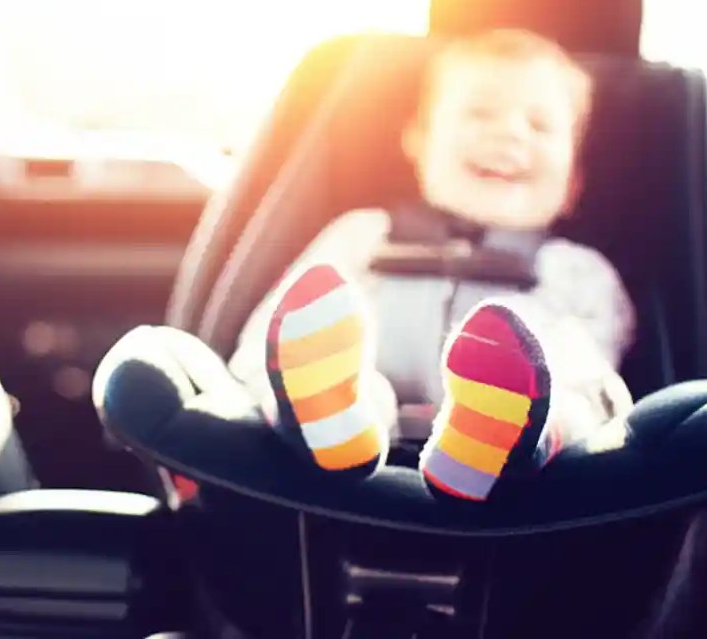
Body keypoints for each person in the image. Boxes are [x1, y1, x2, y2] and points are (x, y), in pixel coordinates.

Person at [228, 28, 636, 502]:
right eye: (479, 112)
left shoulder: (577, 269)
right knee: (313, 356)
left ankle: (511, 438)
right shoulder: (364, 234)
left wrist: (561, 398)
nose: (509, 132)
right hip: (360, 417)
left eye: (540, 126)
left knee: (577, 389)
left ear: (573, 184)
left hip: (526, 468)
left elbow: (602, 377)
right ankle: (327, 420)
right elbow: (271, 336)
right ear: (418, 141)